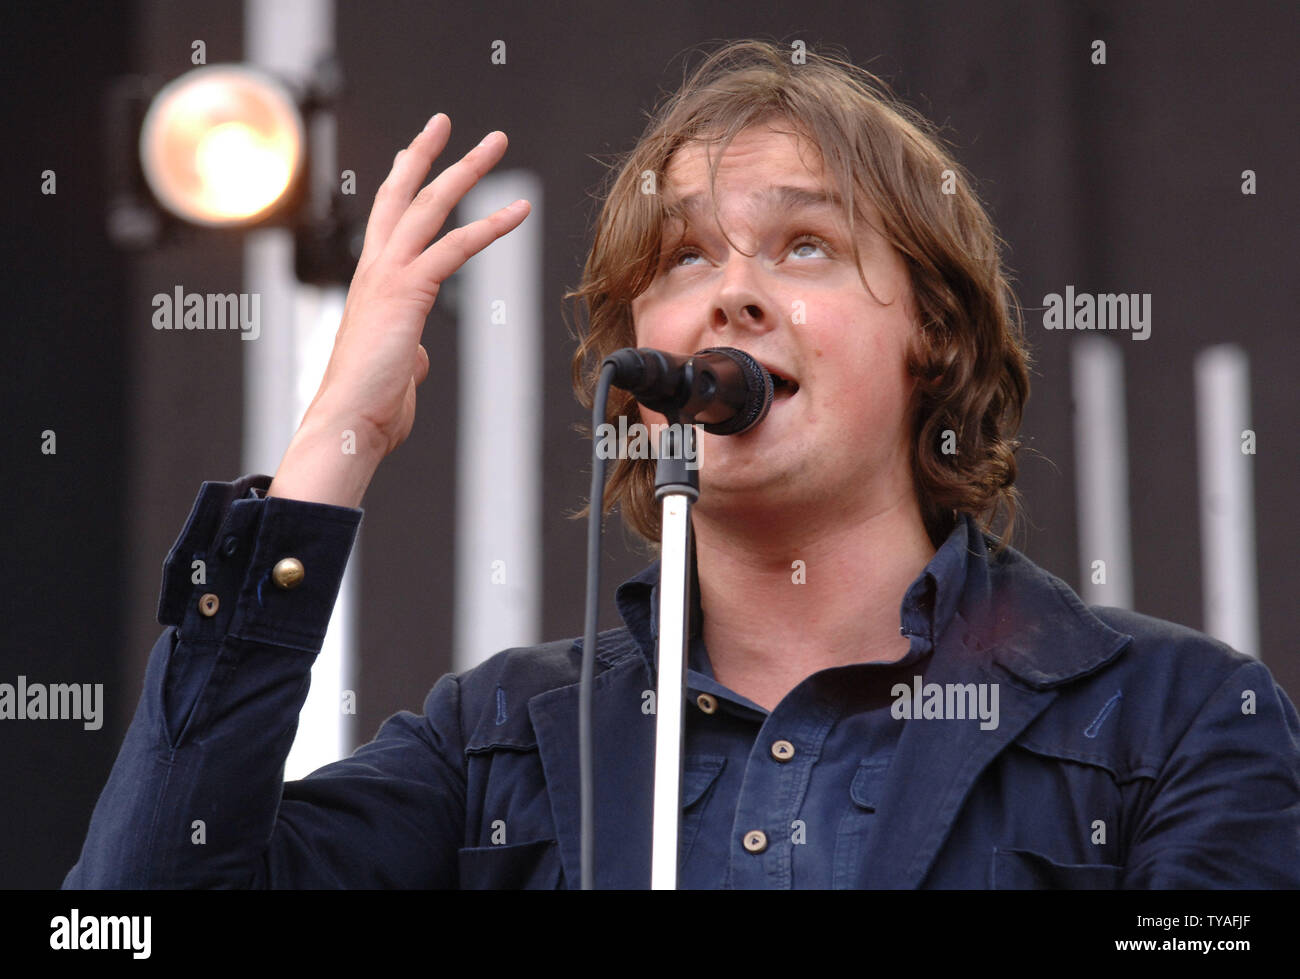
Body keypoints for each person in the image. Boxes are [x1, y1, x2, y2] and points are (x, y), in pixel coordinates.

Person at [65, 40, 1300, 889]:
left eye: (804, 246)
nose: (734, 298)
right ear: (636, 362)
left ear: (932, 331)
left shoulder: (1174, 721)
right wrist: (331, 442)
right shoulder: (494, 741)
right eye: (683, 259)